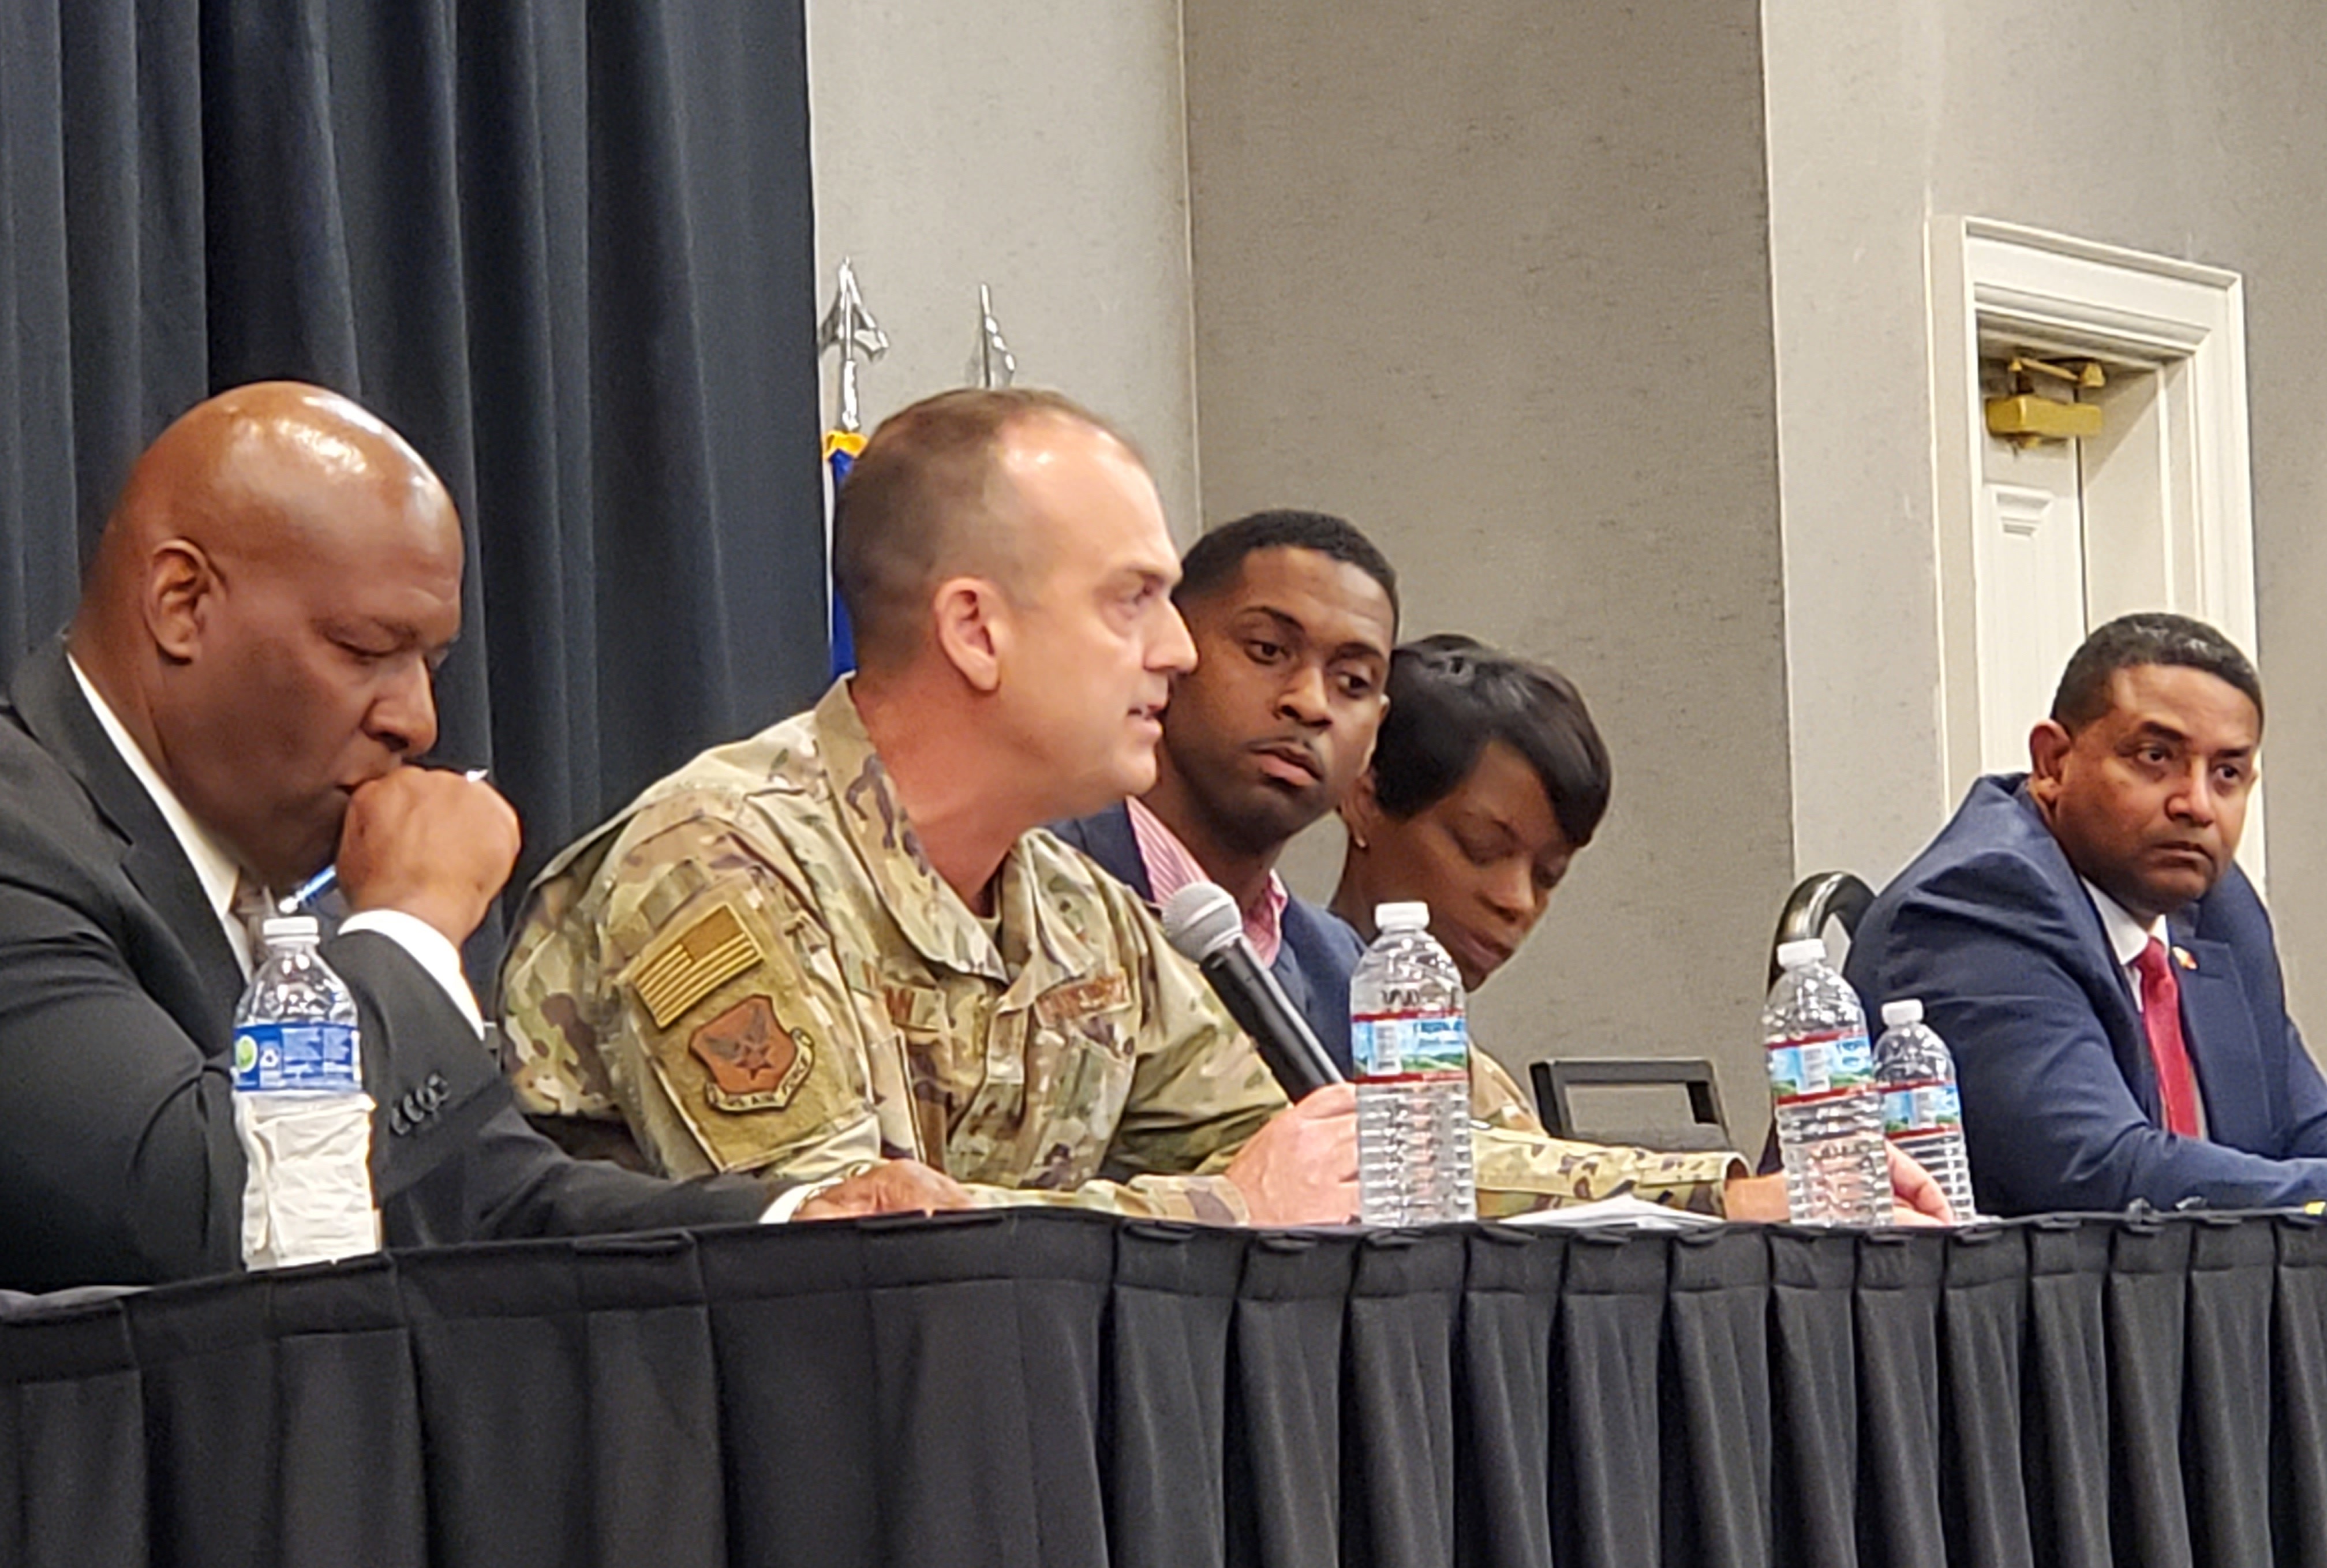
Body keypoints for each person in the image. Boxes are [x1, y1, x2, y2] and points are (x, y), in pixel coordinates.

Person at [499, 388, 1355, 1225]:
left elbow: (1303, 1147)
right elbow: (848, 1243)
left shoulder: (1078, 913)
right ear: (977, 632)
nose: (1176, 651)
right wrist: (1232, 1208)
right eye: (1131, 599)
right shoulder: (709, 860)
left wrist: (1406, 1155)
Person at [0, 382, 776, 1291]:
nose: (417, 720)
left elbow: (490, 1207)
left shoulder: (293, 876)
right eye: (366, 651)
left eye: (430, 664)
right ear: (182, 603)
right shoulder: (26, 839)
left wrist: (793, 1225)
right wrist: (410, 924)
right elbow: (201, 1215)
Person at [1334, 634, 1947, 1222]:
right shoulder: (1280, 1008)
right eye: (1479, 847)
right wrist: (1727, 1198)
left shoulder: (1479, 1076)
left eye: (1549, 876)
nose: (1517, 900)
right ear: (1363, 799)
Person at [1848, 611, 2327, 1214]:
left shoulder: (2215, 907)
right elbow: (2103, 1173)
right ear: (2052, 762)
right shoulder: (1976, 903)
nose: (2197, 805)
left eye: (2226, 773)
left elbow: (2302, 1128)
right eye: (2156, 757)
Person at [1049, 510, 1396, 1074]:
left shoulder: (1346, 973)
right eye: (1266, 650)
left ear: (1376, 731)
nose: (1309, 703)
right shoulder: (1030, 891)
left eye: (1352, 683)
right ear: (1169, 650)